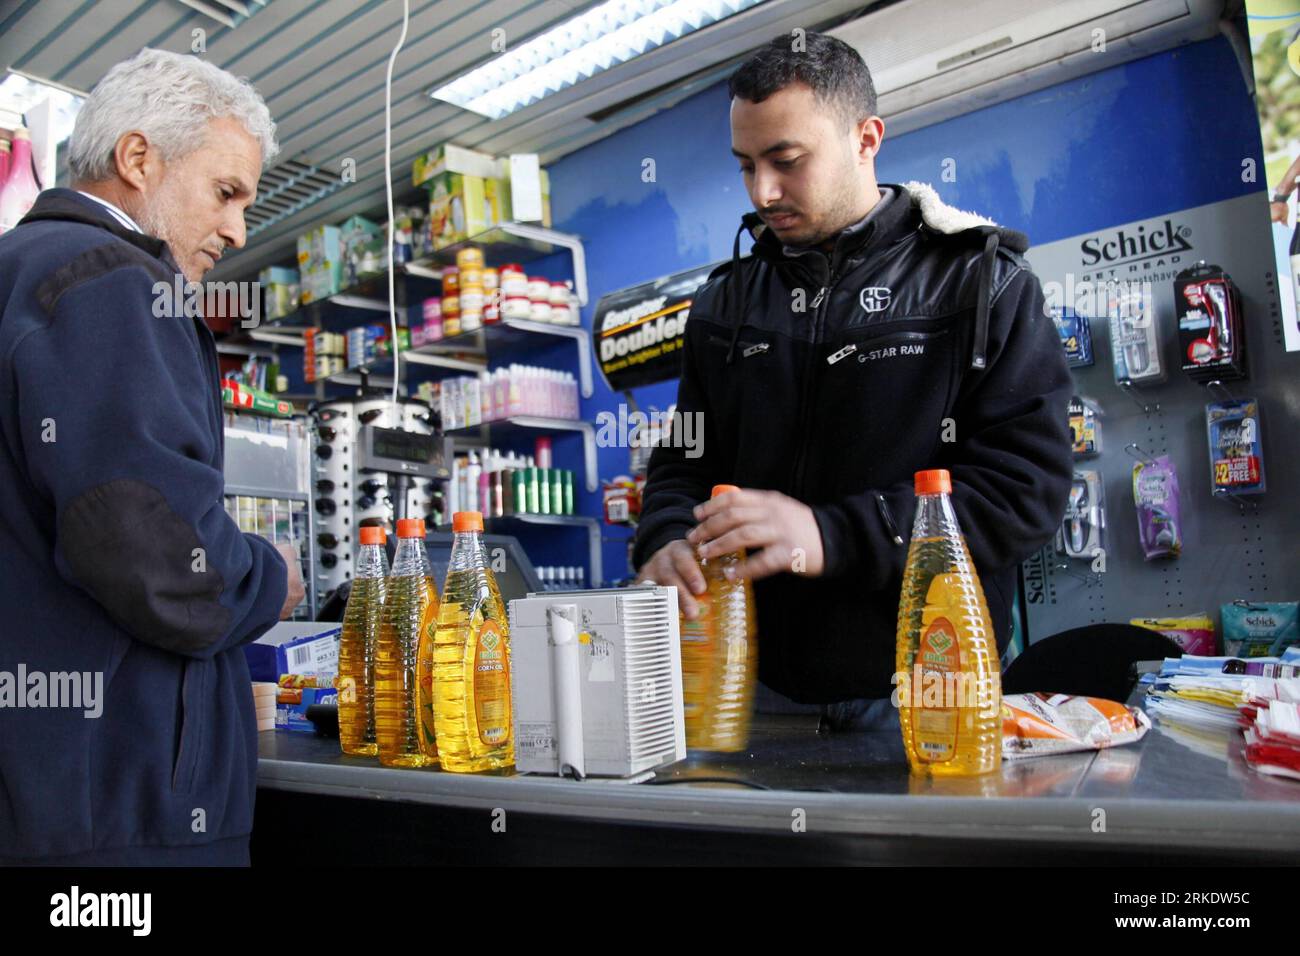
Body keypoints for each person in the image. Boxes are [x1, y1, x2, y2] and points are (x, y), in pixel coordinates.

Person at [634, 33, 1073, 730]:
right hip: (751, 692)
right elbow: (682, 465)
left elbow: (1024, 493)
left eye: (786, 161)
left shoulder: (980, 281)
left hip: (924, 691)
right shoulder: (725, 305)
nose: (762, 192)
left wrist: (828, 534)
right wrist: (664, 538)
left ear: (866, 138)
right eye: (746, 166)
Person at [0, 48, 302, 865]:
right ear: (139, 158)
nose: (239, 228)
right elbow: (155, 553)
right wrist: (270, 576)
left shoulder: (18, 275)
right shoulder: (110, 283)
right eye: (226, 191)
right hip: (119, 813)